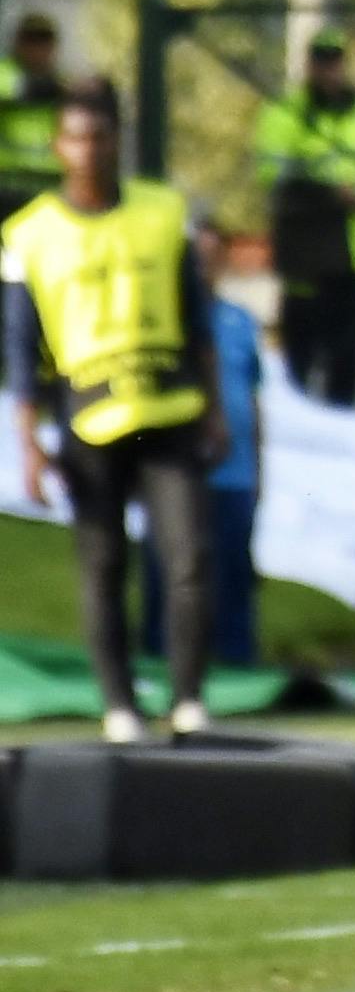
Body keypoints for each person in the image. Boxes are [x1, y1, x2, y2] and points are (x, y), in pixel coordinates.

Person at [2, 88, 227, 741]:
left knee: (189, 558)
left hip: (171, 407)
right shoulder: (29, 234)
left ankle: (187, 699)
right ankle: (120, 705)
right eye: (77, 137)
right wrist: (29, 441)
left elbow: (198, 317)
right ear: (58, 146)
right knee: (102, 566)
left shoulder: (163, 213)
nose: (90, 150)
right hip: (89, 418)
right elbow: (21, 347)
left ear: (117, 140)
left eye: (101, 136)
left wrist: (216, 407)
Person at [143, 215, 264, 670]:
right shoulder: (165, 321)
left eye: (212, 257)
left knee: (231, 571)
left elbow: (252, 399)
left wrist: (258, 470)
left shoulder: (239, 322)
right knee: (170, 566)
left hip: (234, 470)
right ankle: (160, 662)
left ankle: (236, 663)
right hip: (178, 466)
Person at [254, 28, 355, 406]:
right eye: (322, 63)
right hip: (306, 256)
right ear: (309, 65)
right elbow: (273, 178)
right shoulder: (285, 113)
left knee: (348, 361)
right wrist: (333, 194)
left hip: (350, 255)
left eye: (335, 63)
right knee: (301, 359)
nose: (330, 72)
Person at [0, 11, 64, 223]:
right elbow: (23, 89)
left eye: (43, 40)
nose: (37, 48)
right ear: (18, 43)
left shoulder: (63, 80)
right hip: (9, 181)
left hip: (51, 185)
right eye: (31, 40)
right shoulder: (5, 72)